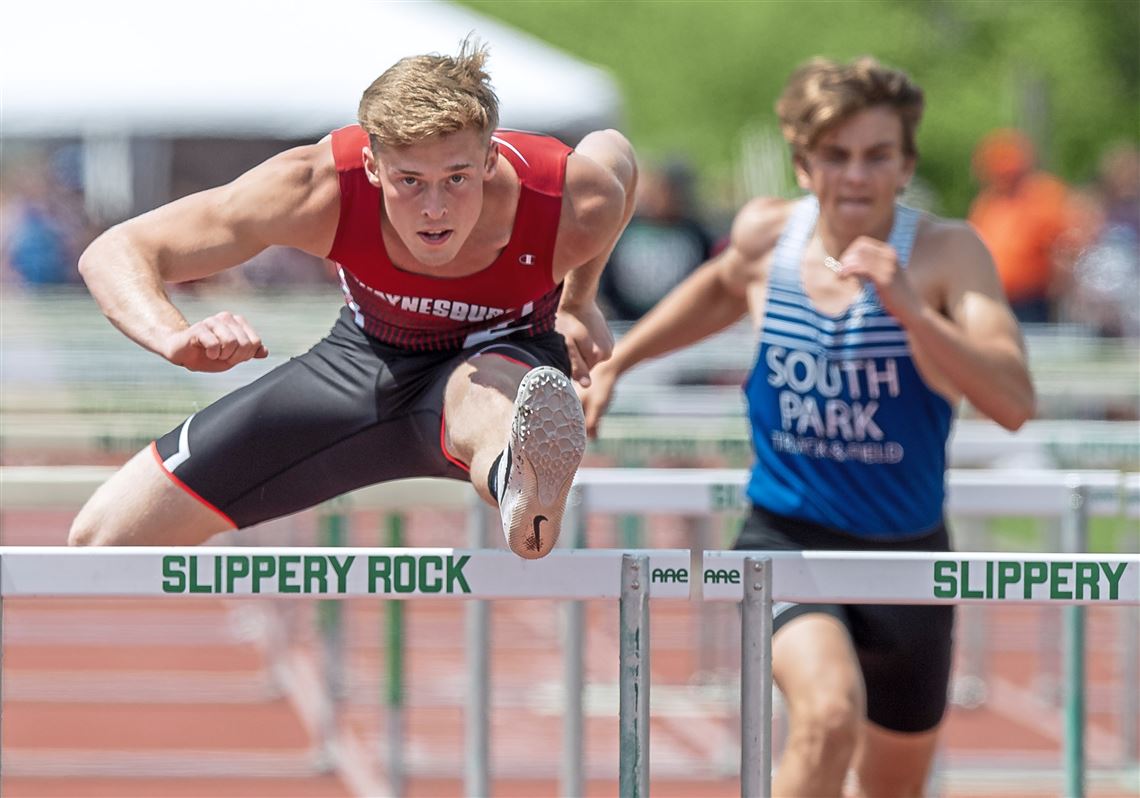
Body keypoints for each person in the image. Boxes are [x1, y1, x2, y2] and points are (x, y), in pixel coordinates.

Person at [582, 57, 1034, 797]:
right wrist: (618, 362)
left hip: (909, 558)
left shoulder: (949, 254)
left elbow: (1013, 400)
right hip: (789, 541)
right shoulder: (767, 237)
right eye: (836, 156)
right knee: (827, 719)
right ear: (802, 163)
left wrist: (912, 312)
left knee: (892, 787)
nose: (856, 176)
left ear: (905, 165)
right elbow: (716, 291)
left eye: (876, 156)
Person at [68, 40, 637, 559]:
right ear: (371, 167)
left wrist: (578, 301)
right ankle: (520, 469)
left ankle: (521, 483)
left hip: (504, 354)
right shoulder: (315, 188)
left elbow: (613, 152)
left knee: (483, 390)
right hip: (361, 362)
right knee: (103, 536)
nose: (434, 208)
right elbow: (116, 250)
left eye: (457, 178)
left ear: (489, 161)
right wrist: (172, 334)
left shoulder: (567, 194)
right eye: (409, 181)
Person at [967, 129, 1072, 324]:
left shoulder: (1045, 195)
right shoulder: (987, 203)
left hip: (1032, 300)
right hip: (992, 296)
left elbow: (1064, 247)